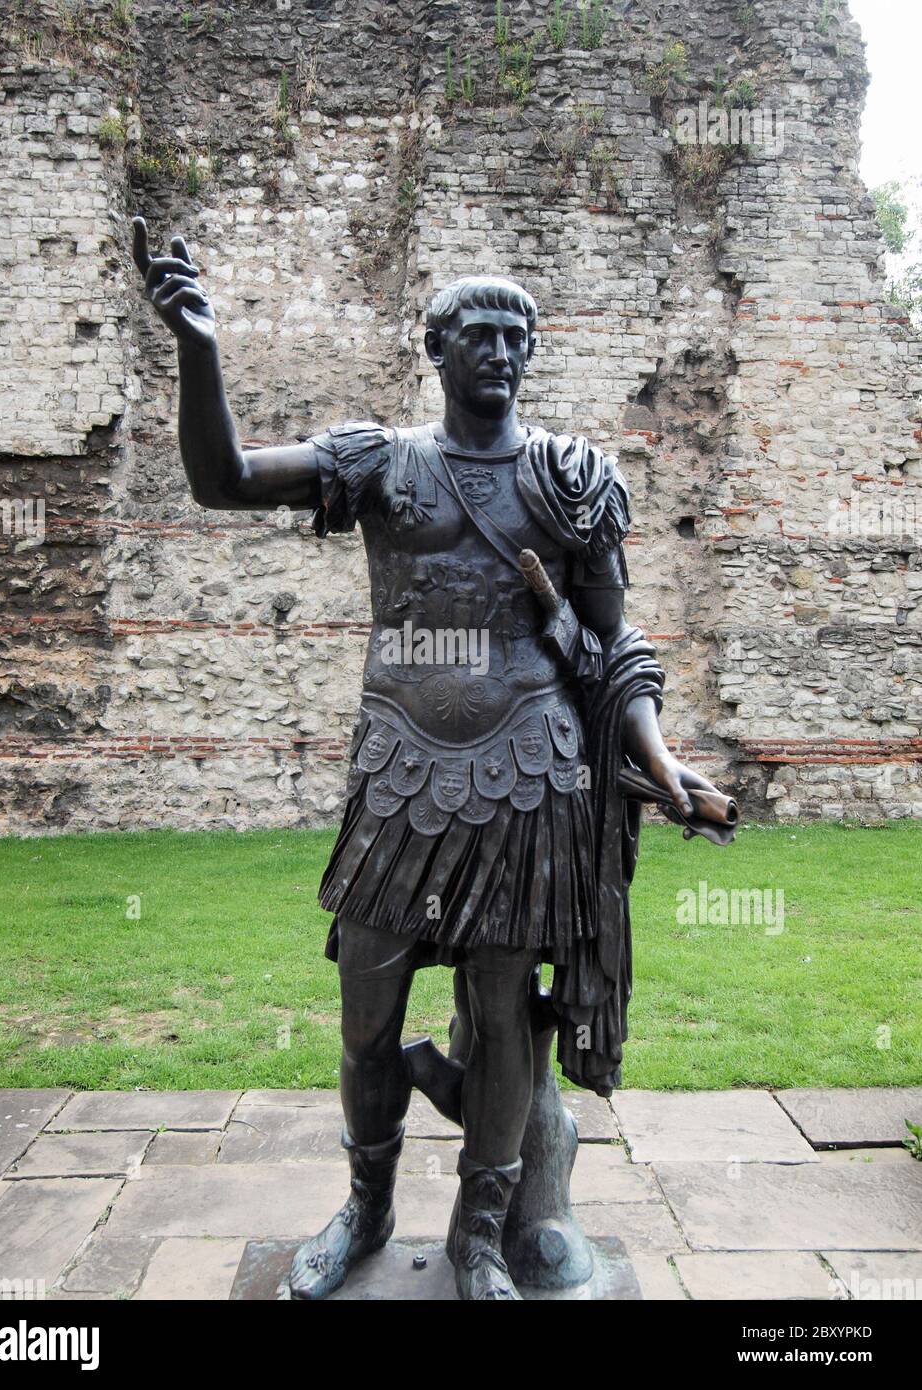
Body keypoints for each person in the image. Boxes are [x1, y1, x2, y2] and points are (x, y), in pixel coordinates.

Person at [132, 218, 721, 1300]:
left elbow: (610, 646)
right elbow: (223, 479)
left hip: (528, 775)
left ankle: (484, 1232)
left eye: (514, 336)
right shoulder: (380, 461)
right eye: (476, 334)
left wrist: (656, 754)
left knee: (502, 1019)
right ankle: (364, 1205)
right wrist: (199, 345)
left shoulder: (569, 477)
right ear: (435, 350)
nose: (497, 351)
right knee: (367, 1015)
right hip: (401, 772)